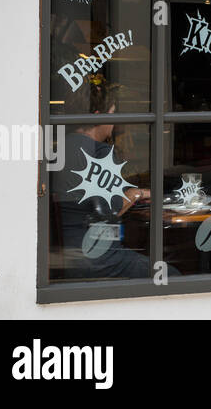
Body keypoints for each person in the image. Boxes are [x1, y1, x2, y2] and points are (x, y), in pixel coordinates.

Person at [51, 77, 155, 279]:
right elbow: (111, 210)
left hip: (63, 254)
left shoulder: (59, 149)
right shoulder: (101, 152)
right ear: (98, 116)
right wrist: (136, 194)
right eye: (112, 114)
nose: (114, 123)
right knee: (172, 276)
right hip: (97, 257)